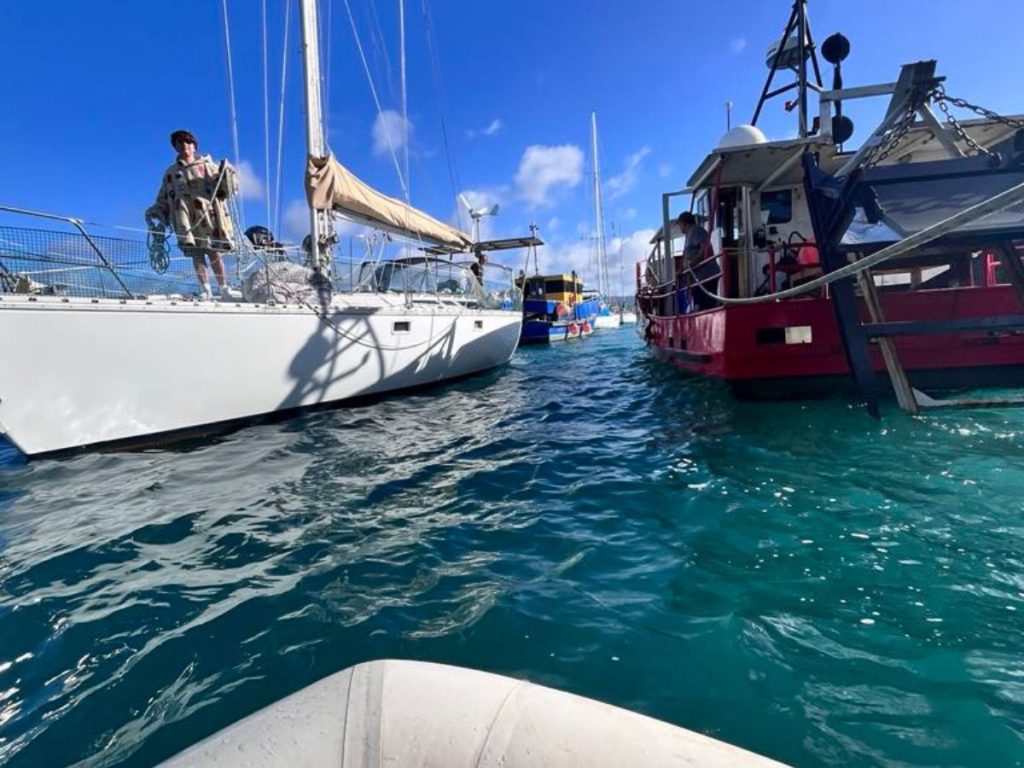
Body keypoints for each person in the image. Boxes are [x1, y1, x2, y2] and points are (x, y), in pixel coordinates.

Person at [145, 129, 239, 300]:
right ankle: (206, 289)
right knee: (196, 253)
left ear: (194, 146)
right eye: (180, 144)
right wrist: (156, 211)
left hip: (208, 217)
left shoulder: (209, 166)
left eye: (188, 143)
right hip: (185, 220)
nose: (185, 147)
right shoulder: (171, 173)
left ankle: (224, 288)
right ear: (175, 147)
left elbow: (227, 189)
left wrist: (228, 173)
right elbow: (164, 196)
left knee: (213, 251)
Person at [676, 211, 717, 311]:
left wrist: (692, 262)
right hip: (698, 279)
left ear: (684, 223)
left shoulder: (696, 231)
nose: (680, 227)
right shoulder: (689, 235)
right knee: (700, 303)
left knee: (706, 304)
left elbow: (706, 248)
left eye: (680, 224)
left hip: (705, 276)